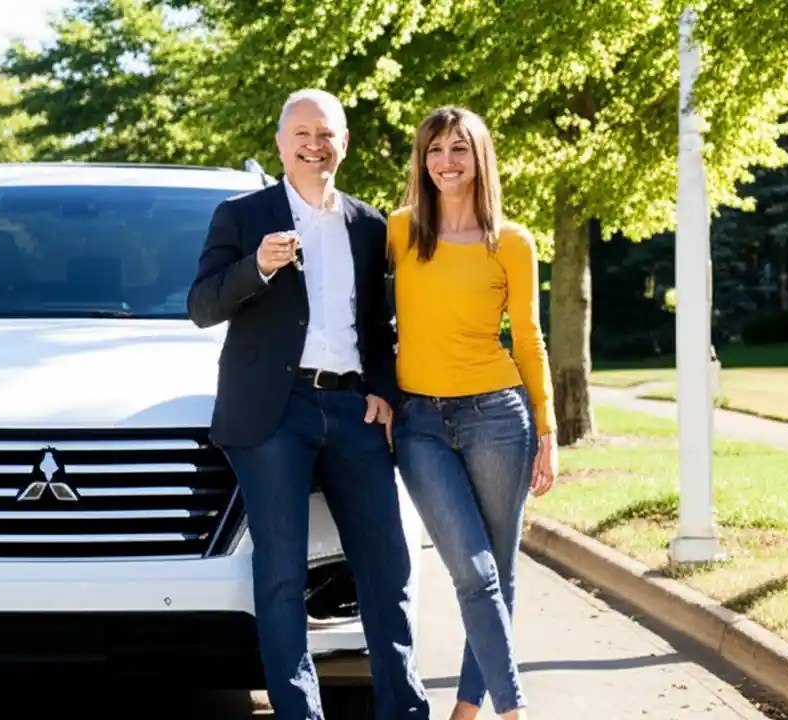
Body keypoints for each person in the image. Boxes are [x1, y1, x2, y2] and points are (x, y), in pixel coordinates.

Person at [187, 88, 429, 720]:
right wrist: (257, 268)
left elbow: (379, 325)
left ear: (343, 144)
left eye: (327, 135)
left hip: (353, 411)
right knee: (282, 575)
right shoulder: (240, 216)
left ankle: (404, 709)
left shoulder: (369, 224)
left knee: (388, 566)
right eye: (303, 134)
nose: (315, 145)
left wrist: (383, 387)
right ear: (280, 144)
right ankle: (300, 713)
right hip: (274, 415)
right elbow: (201, 306)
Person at [386, 105, 558, 720]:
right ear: (422, 160)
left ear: (479, 158)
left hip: (496, 415)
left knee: (497, 568)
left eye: (459, 149)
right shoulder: (399, 231)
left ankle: (466, 707)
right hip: (420, 424)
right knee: (475, 569)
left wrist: (547, 427)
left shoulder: (511, 242)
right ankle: (514, 711)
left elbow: (530, 338)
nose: (446, 162)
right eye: (434, 150)